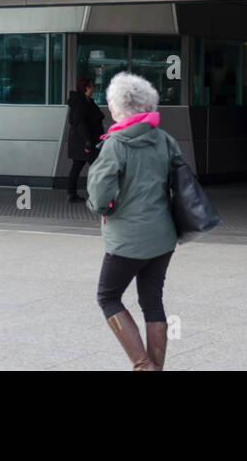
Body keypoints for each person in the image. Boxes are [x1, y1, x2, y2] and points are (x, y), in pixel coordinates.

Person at [86, 72, 184, 371]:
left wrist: (102, 207)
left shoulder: (116, 144)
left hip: (128, 239)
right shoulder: (164, 139)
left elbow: (100, 194)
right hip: (163, 236)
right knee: (152, 301)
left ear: (119, 108)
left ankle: (144, 366)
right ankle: (155, 367)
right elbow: (180, 178)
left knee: (108, 296)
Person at [65, 77, 104, 201]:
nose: (92, 89)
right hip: (85, 142)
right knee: (96, 167)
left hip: (84, 141)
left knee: (79, 166)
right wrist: (88, 142)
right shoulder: (80, 103)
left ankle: (72, 194)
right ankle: (94, 194)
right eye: (91, 86)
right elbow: (80, 123)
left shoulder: (85, 101)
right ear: (86, 88)